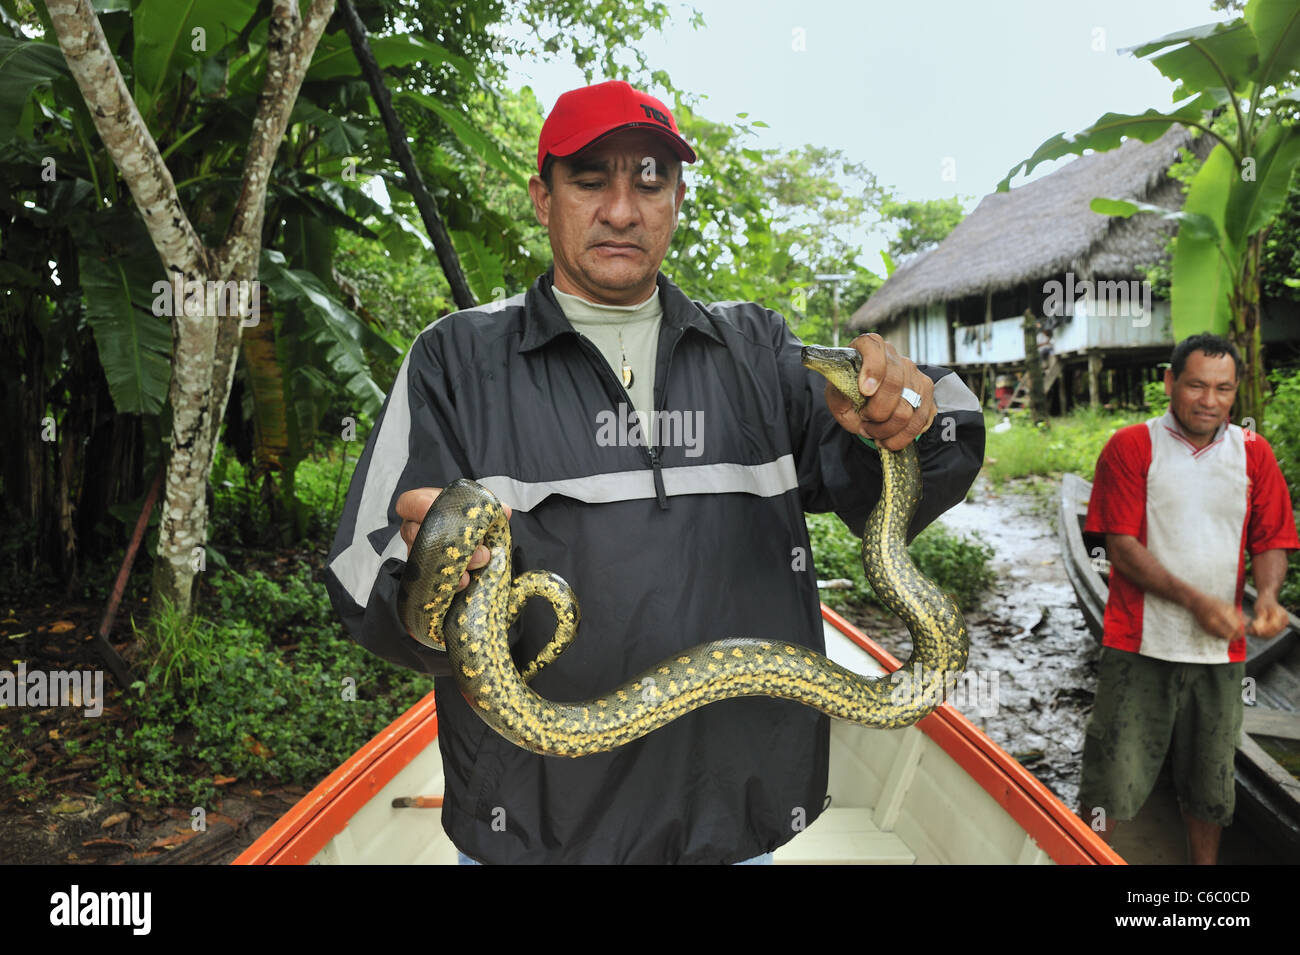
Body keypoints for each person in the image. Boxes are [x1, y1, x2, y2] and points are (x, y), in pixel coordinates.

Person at [324, 79, 985, 864]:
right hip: (538, 831)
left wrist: (913, 413)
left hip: (731, 825)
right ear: (543, 197)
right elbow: (360, 575)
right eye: (590, 178)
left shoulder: (759, 352)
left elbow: (899, 469)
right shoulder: (455, 360)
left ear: (676, 197)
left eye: (649, 180)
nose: (622, 209)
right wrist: (426, 573)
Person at [1078, 332, 1297, 864]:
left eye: (1223, 389)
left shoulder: (1252, 453)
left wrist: (1266, 595)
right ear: (1171, 382)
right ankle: (1087, 857)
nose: (1209, 400)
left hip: (1220, 655)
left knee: (1211, 781)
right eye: (1196, 385)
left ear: (1236, 391)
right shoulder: (1133, 446)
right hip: (1139, 643)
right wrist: (1199, 603)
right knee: (1113, 778)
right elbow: (1122, 549)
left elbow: (1271, 539)